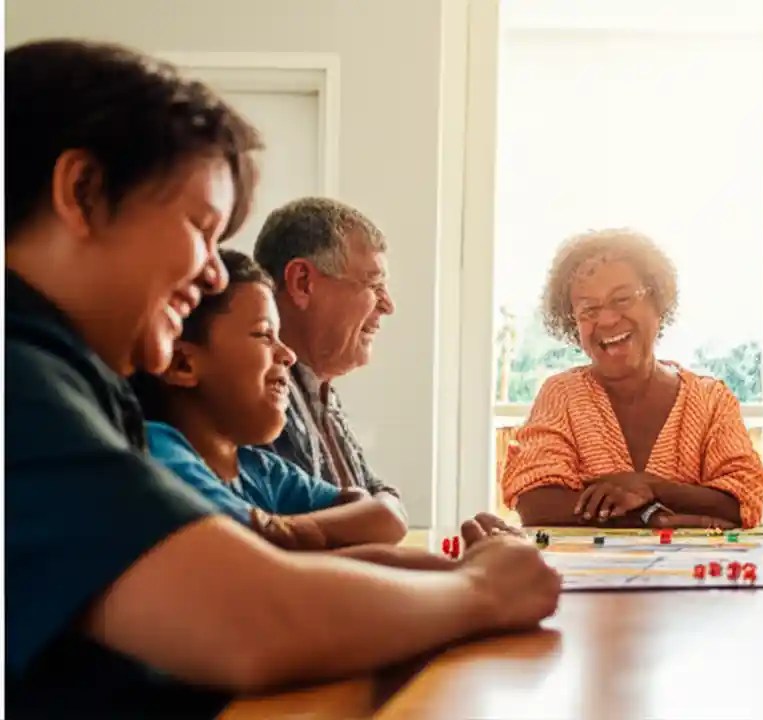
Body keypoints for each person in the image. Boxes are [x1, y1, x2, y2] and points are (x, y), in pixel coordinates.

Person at [6, 39, 559, 718]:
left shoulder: (75, 381)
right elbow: (246, 617)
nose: (214, 273)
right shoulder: (20, 384)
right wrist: (484, 593)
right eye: (200, 229)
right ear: (83, 192)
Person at [131, 249, 408, 551]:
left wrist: (286, 529)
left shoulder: (262, 470)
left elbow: (386, 519)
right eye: (264, 335)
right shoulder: (157, 453)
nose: (287, 354)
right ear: (183, 363)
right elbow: (239, 538)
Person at [502, 228, 763, 529]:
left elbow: (742, 502)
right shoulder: (562, 395)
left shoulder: (710, 401)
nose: (606, 320)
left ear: (658, 302)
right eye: (588, 309)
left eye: (622, 299)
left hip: (690, 577)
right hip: (589, 577)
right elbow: (537, 503)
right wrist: (652, 517)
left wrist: (649, 487)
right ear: (572, 323)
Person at [252, 197, 405, 518]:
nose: (388, 305)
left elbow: (375, 495)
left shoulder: (318, 388)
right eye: (374, 285)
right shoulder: (258, 391)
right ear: (302, 283)